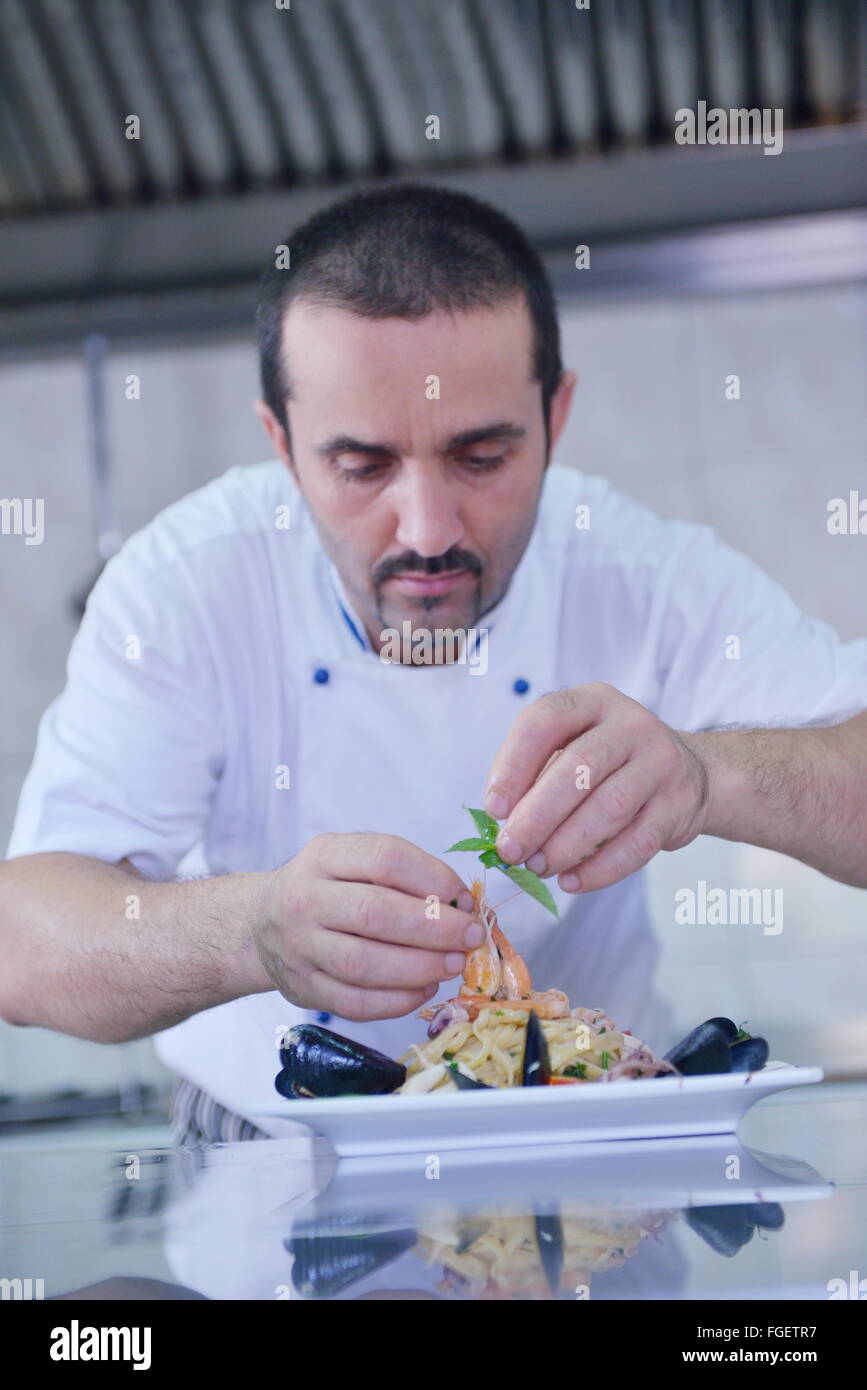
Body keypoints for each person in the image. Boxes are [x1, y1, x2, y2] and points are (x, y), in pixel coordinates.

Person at [2, 184, 865, 1142]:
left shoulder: (644, 575)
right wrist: (251, 931)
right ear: (281, 447)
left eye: (482, 456)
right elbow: (23, 943)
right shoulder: (184, 587)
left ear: (556, 415)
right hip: (266, 1154)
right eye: (362, 466)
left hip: (589, 1129)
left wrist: (712, 776)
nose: (427, 531)